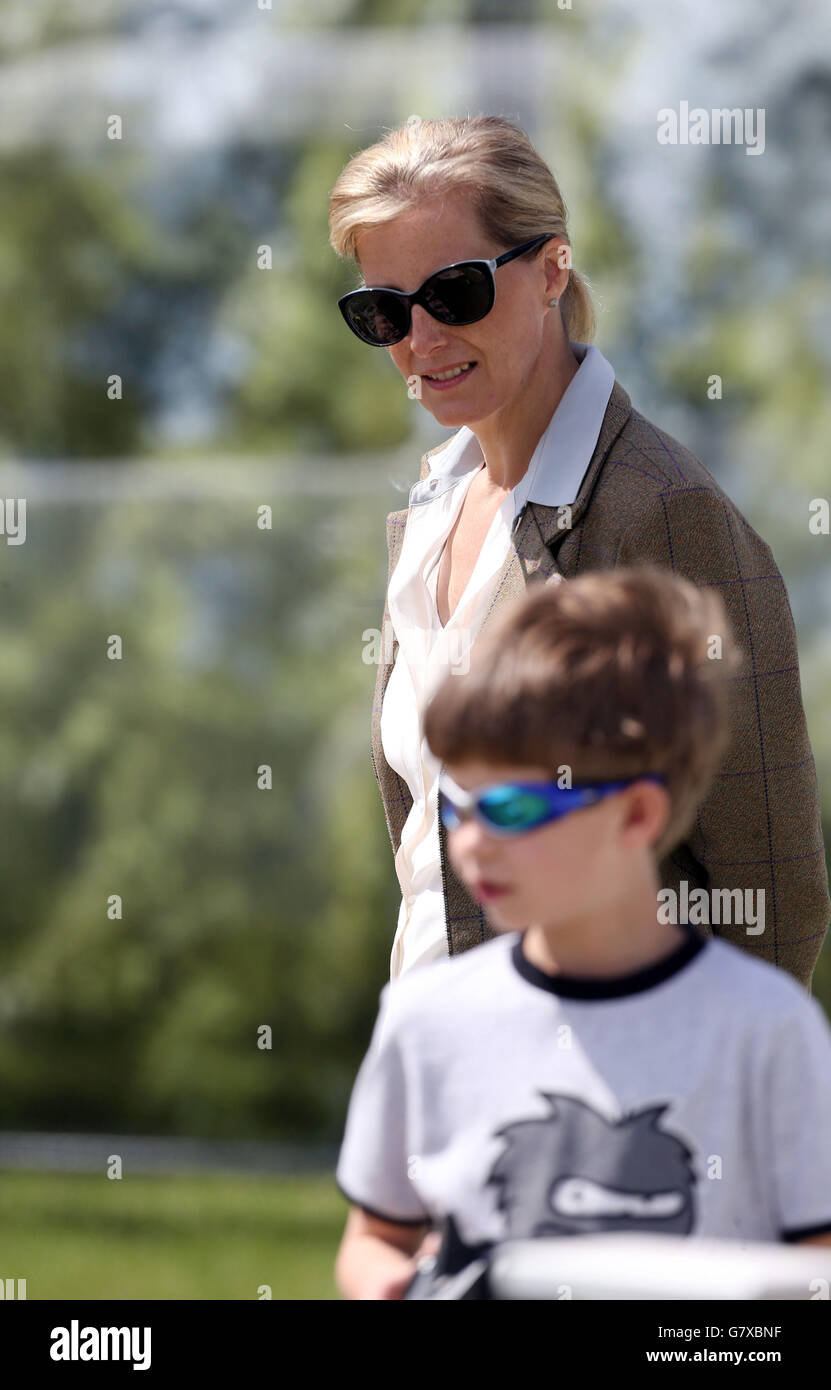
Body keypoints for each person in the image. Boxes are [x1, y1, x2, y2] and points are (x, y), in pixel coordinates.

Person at [328, 114, 828, 987]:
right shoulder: (433, 505)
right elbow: (429, 863)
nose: (420, 339)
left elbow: (771, 892)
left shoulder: (660, 511)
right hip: (437, 1061)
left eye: (454, 293)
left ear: (552, 268)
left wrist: (678, 1112)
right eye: (383, 311)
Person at [333, 567, 831, 1300]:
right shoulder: (424, 1019)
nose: (467, 843)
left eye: (509, 809)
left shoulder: (764, 1028)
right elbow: (375, 1237)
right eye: (455, 803)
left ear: (635, 816)